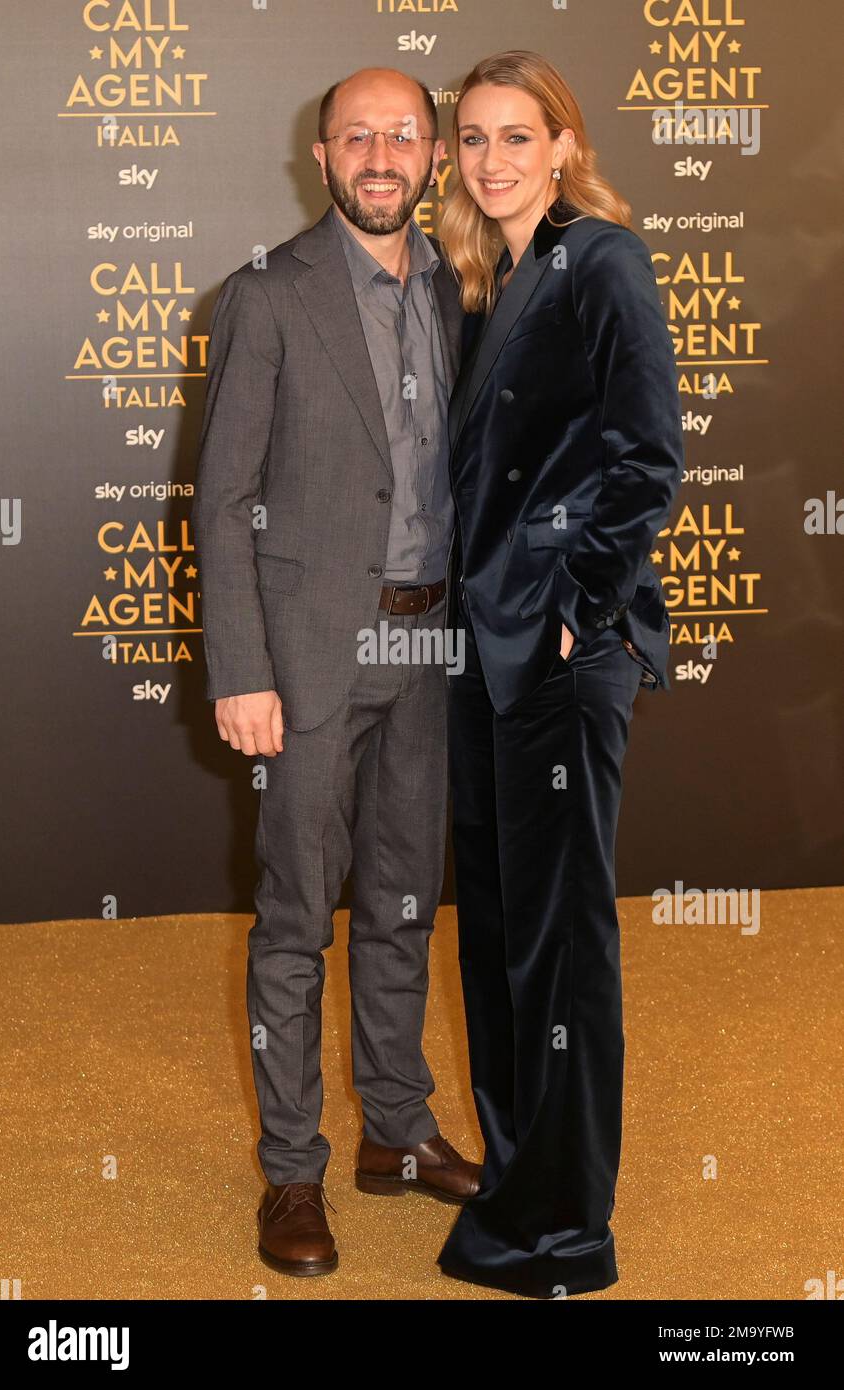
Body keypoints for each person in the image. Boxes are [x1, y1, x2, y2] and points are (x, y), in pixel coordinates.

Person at [193, 66, 480, 1279]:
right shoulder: (264, 296)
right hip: (309, 658)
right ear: (321, 157)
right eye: (354, 136)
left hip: (428, 649)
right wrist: (241, 669)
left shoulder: (468, 295)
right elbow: (221, 501)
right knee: (295, 922)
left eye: (400, 136)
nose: (379, 154)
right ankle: (296, 1170)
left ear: (433, 160)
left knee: (407, 906)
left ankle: (398, 1136)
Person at [434, 50, 684, 1298]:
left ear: (563, 143)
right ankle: (517, 1175)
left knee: (558, 945)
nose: (490, 161)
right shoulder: (497, 273)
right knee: (495, 932)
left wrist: (582, 609)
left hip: (558, 651)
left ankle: (565, 1232)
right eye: (472, 139)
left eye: (514, 137)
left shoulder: (602, 260)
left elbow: (646, 458)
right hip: (486, 653)